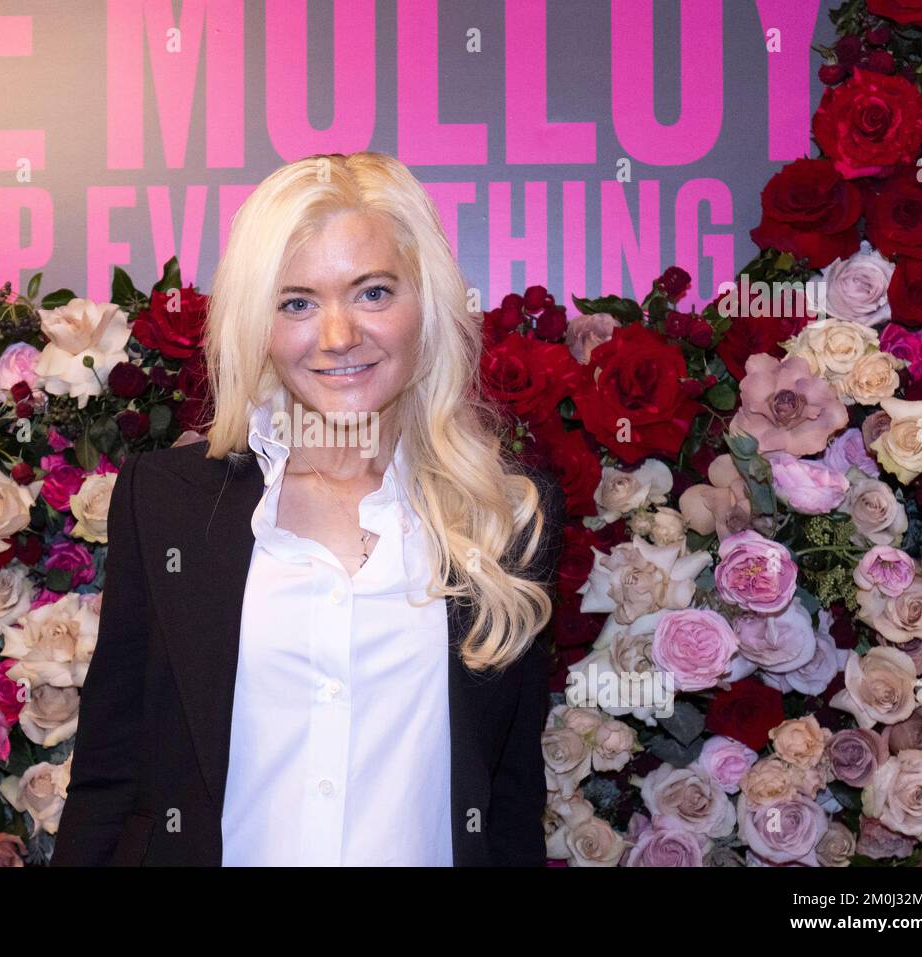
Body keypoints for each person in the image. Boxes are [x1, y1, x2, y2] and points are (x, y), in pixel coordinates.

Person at [50, 151, 564, 867]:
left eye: (373, 292)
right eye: (296, 301)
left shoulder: (503, 518)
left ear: (428, 302)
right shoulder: (166, 503)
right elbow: (111, 772)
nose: (337, 335)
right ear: (255, 322)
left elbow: (509, 798)